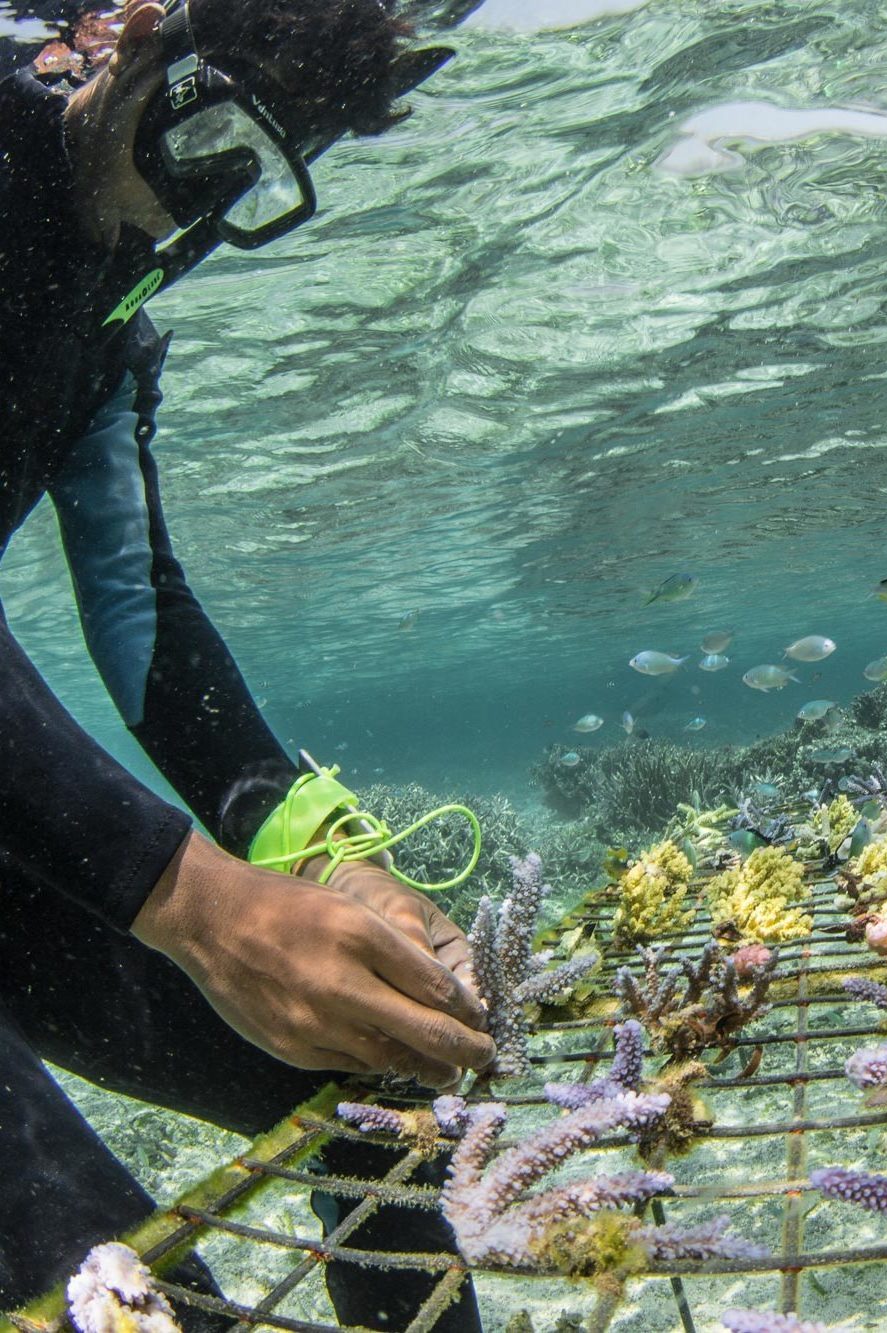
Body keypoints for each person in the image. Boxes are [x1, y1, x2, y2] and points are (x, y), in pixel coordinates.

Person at [0, 1, 494, 1327]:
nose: (191, 212)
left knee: (366, 1112)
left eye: (248, 177)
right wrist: (193, 898)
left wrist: (315, 851)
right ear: (134, 39)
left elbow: (140, 607)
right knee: (116, 1286)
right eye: (208, 141)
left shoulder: (107, 306)